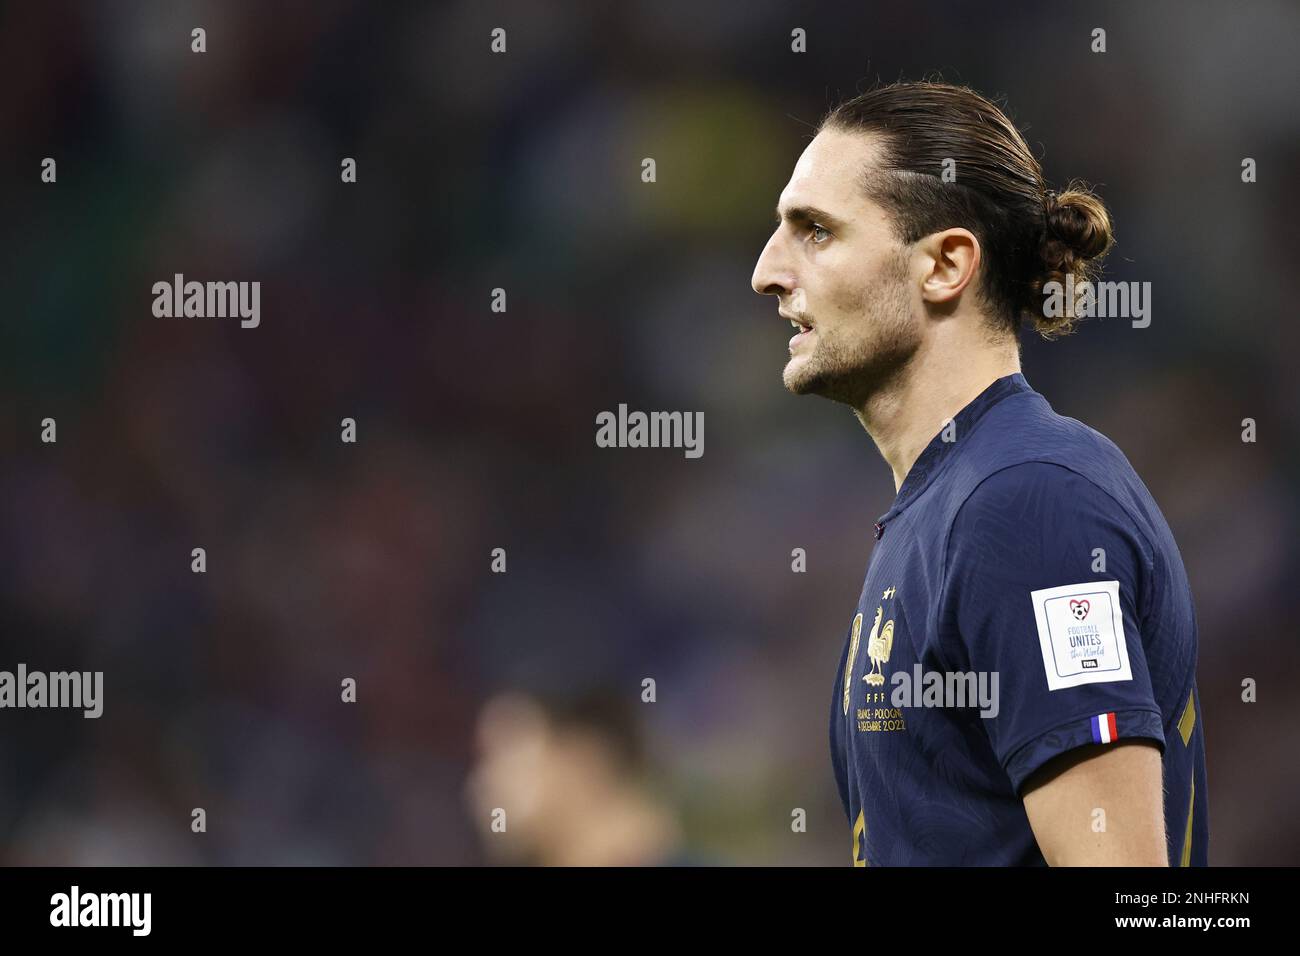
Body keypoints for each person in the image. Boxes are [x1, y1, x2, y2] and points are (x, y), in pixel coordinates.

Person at [750, 80, 1208, 866]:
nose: (767, 271)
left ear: (946, 265)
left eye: (816, 231)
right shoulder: (950, 502)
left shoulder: (1029, 504)